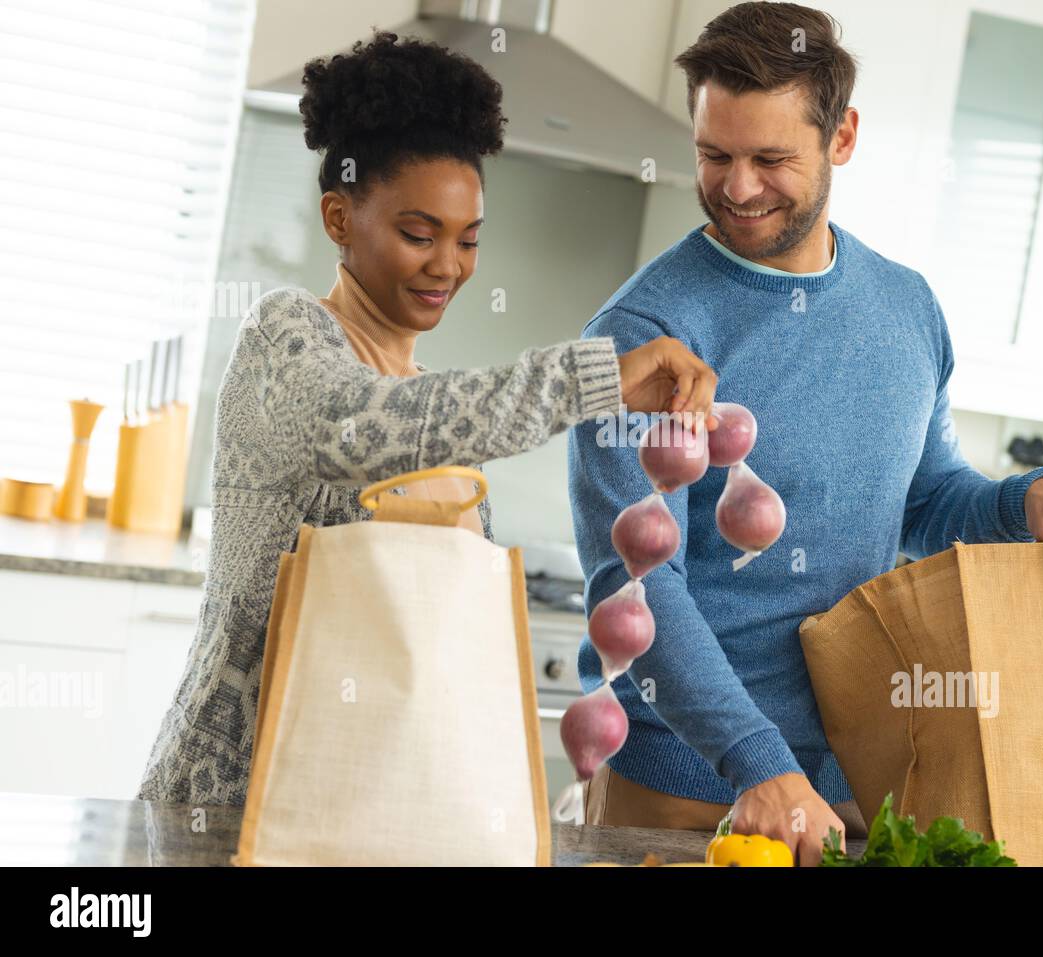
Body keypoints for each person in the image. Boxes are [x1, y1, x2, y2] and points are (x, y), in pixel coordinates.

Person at [568, 2, 1043, 866]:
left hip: (857, 781)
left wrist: (1027, 502)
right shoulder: (640, 339)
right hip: (684, 787)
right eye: (714, 155)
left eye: (771, 158)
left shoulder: (907, 308)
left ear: (843, 138)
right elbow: (638, 591)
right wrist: (758, 762)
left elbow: (924, 495)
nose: (738, 186)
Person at [138, 32, 717, 806]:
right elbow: (361, 425)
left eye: (469, 239)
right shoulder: (286, 339)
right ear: (340, 218)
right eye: (419, 234)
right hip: (227, 804)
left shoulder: (441, 417)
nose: (448, 265)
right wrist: (593, 379)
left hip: (365, 815)